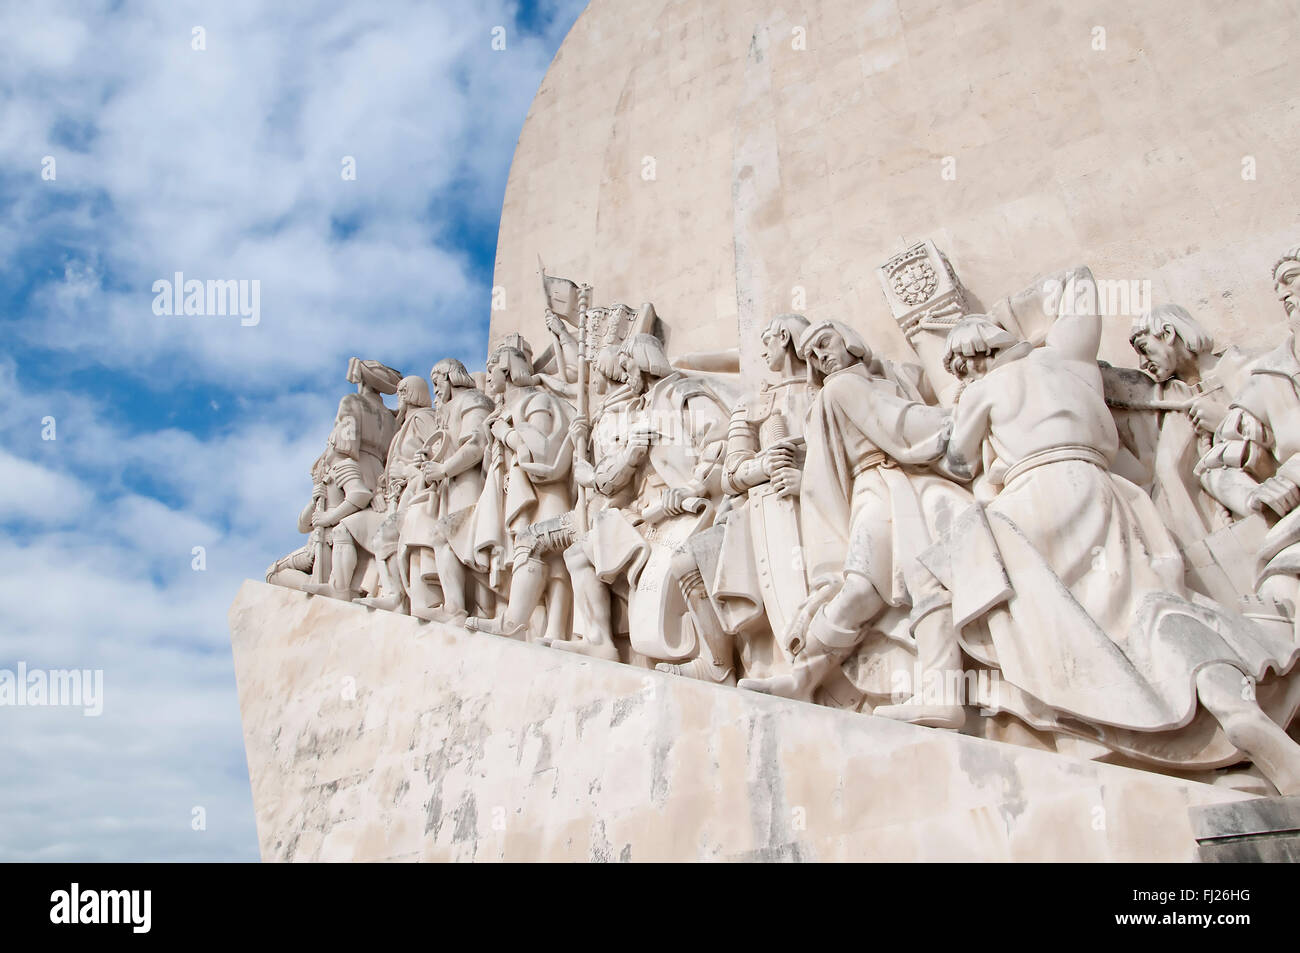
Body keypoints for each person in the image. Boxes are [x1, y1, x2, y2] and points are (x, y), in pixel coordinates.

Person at [927, 309, 1300, 794]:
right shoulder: (1072, 372)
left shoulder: (985, 387)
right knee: (1152, 608)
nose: (963, 374)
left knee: (941, 570)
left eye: (961, 365)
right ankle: (1232, 706)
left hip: (1038, 499)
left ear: (973, 358)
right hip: (1115, 494)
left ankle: (943, 694)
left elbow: (957, 461)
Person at [737, 320, 972, 728]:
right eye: (811, 355)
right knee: (874, 587)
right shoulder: (842, 387)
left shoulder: (870, 381)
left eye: (825, 344)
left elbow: (899, 423)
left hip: (897, 484)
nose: (820, 357)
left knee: (918, 581)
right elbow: (902, 427)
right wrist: (964, 417)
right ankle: (805, 677)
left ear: (849, 339)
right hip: (876, 485)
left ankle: (939, 693)